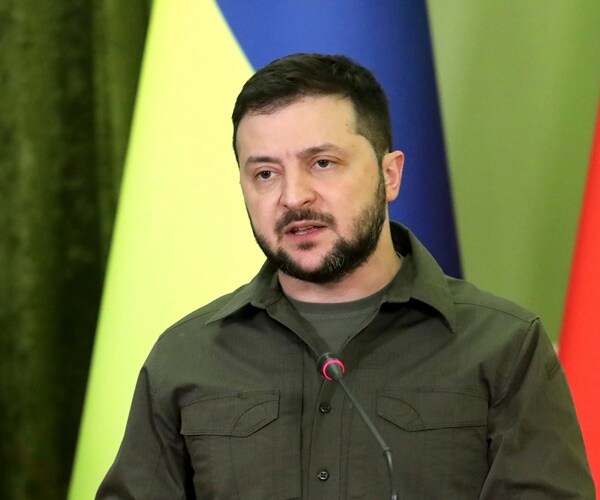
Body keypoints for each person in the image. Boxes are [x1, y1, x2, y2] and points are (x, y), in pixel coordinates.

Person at [97, 53, 594, 499]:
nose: (294, 196)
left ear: (389, 175)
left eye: (323, 163)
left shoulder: (503, 346)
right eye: (265, 173)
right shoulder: (186, 356)